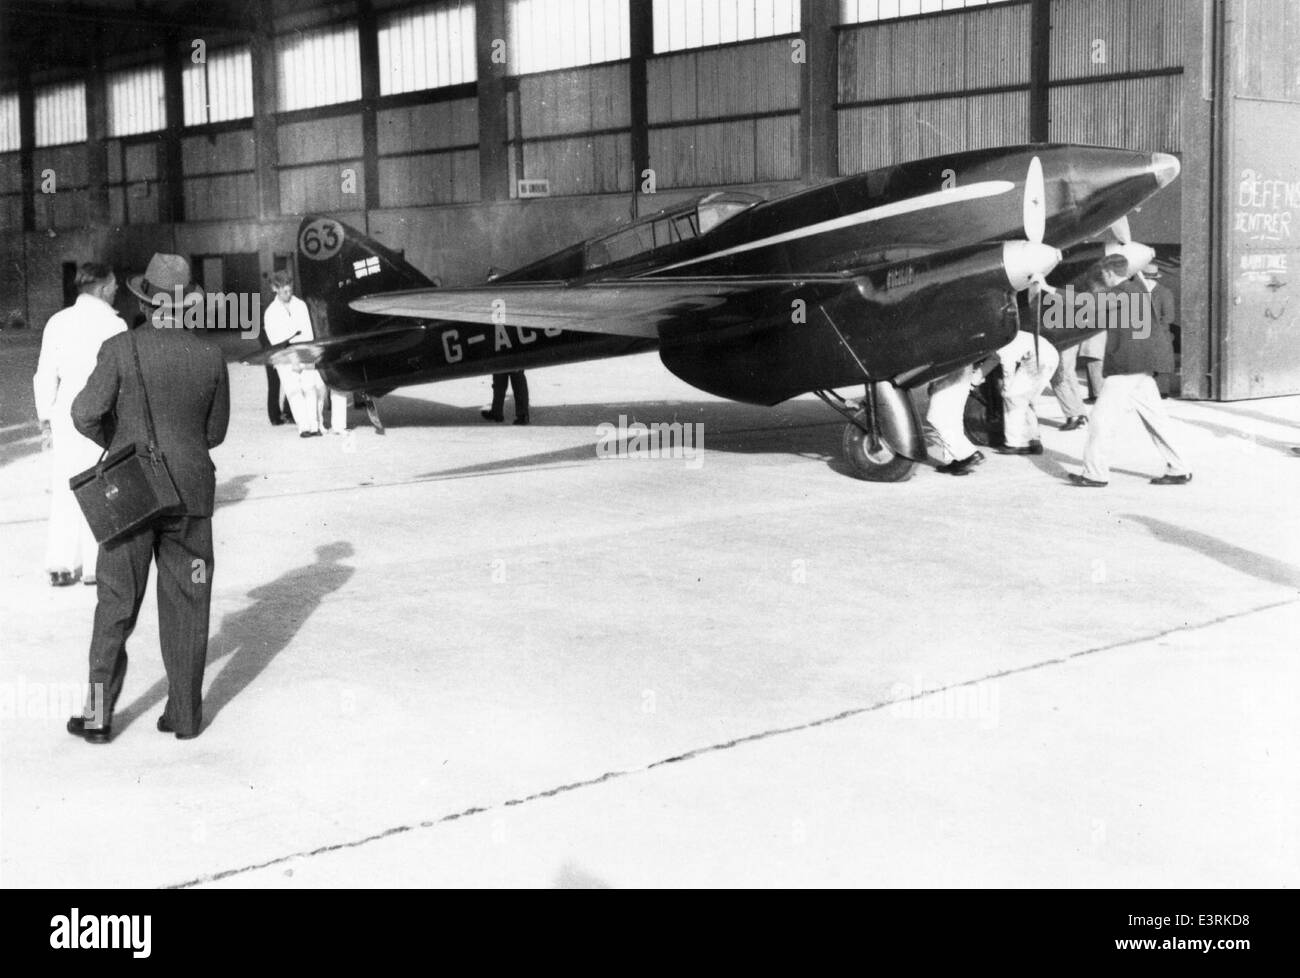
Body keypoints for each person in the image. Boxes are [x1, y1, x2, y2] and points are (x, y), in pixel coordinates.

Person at [66, 253, 229, 743]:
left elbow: (83, 413)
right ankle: (184, 716)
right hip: (191, 497)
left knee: (115, 602)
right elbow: (214, 433)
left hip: (132, 492)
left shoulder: (120, 348)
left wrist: (122, 447)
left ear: (145, 300)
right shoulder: (210, 356)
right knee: (189, 602)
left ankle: (97, 717)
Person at [32, 262, 127, 586]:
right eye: (113, 285)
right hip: (100, 415)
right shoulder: (116, 326)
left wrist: (46, 419)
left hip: (64, 414)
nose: (116, 291)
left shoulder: (57, 322)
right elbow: (122, 379)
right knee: (98, 485)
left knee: (64, 485)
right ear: (102, 288)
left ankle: (59, 562)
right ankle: (92, 563)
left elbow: (44, 375)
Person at [1067, 260, 1191, 488]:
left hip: (1126, 367)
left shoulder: (1121, 292)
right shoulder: (1136, 290)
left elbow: (1082, 303)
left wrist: (1046, 289)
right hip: (1141, 366)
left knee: (1100, 420)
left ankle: (1095, 474)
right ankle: (1179, 467)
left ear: (1108, 272)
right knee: (1157, 420)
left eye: (1102, 272)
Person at [262, 271, 326, 437]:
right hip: (285, 357)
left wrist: (304, 356)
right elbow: (276, 341)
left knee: (310, 388)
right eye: (284, 291)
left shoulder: (300, 305)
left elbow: (308, 333)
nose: (288, 294)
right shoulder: (270, 312)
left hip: (304, 353)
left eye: (290, 290)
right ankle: (304, 427)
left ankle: (315, 426)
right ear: (275, 288)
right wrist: (292, 358)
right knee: (294, 391)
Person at [995, 330, 1059, 455]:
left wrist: (1007, 389)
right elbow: (993, 359)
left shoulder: (1001, 340)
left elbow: (1007, 365)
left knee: (1013, 398)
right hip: (1049, 357)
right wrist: (975, 380)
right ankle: (1034, 440)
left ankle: (1014, 444)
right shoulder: (1008, 334)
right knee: (1026, 400)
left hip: (1037, 360)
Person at [923, 363, 984, 475]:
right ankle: (955, 460)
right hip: (962, 370)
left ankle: (968, 454)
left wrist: (933, 380)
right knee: (952, 418)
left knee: (936, 417)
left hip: (950, 371)